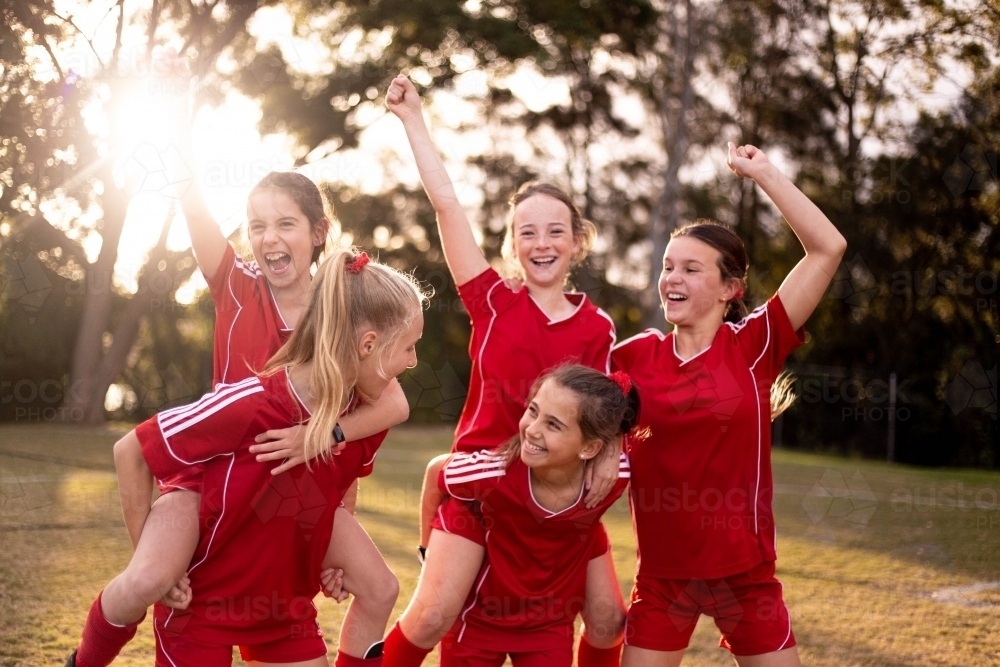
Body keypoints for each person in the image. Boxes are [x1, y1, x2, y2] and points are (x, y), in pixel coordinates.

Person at [68, 143, 408, 664]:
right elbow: (194, 205)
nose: (268, 237)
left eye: (285, 224)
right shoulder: (239, 283)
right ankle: (85, 657)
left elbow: (387, 409)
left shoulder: (342, 306)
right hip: (209, 474)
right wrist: (177, 120)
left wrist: (323, 460)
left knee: (379, 587)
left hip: (293, 489)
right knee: (150, 578)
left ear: (318, 233)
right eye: (255, 225)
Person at [383, 76, 626, 667]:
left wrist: (612, 449)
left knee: (609, 617)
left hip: (553, 496)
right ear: (513, 246)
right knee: (436, 613)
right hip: (484, 488)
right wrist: (414, 119)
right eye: (527, 232)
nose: (541, 242)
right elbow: (446, 203)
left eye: (555, 231)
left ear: (576, 243)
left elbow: (605, 411)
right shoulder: (492, 301)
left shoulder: (598, 328)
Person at [612, 143, 847, 667]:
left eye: (692, 270)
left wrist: (763, 173)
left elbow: (828, 248)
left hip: (746, 575)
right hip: (663, 576)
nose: (673, 278)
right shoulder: (630, 357)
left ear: (729, 288)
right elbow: (590, 434)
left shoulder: (754, 343)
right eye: (669, 266)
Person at [420, 365, 638, 667]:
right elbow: (436, 473)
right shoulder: (492, 472)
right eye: (533, 411)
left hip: (547, 627)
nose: (533, 429)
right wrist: (426, 550)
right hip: (481, 623)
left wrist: (614, 446)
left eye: (553, 425)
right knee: (427, 619)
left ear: (589, 448)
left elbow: (649, 410)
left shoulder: (612, 476)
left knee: (609, 622)